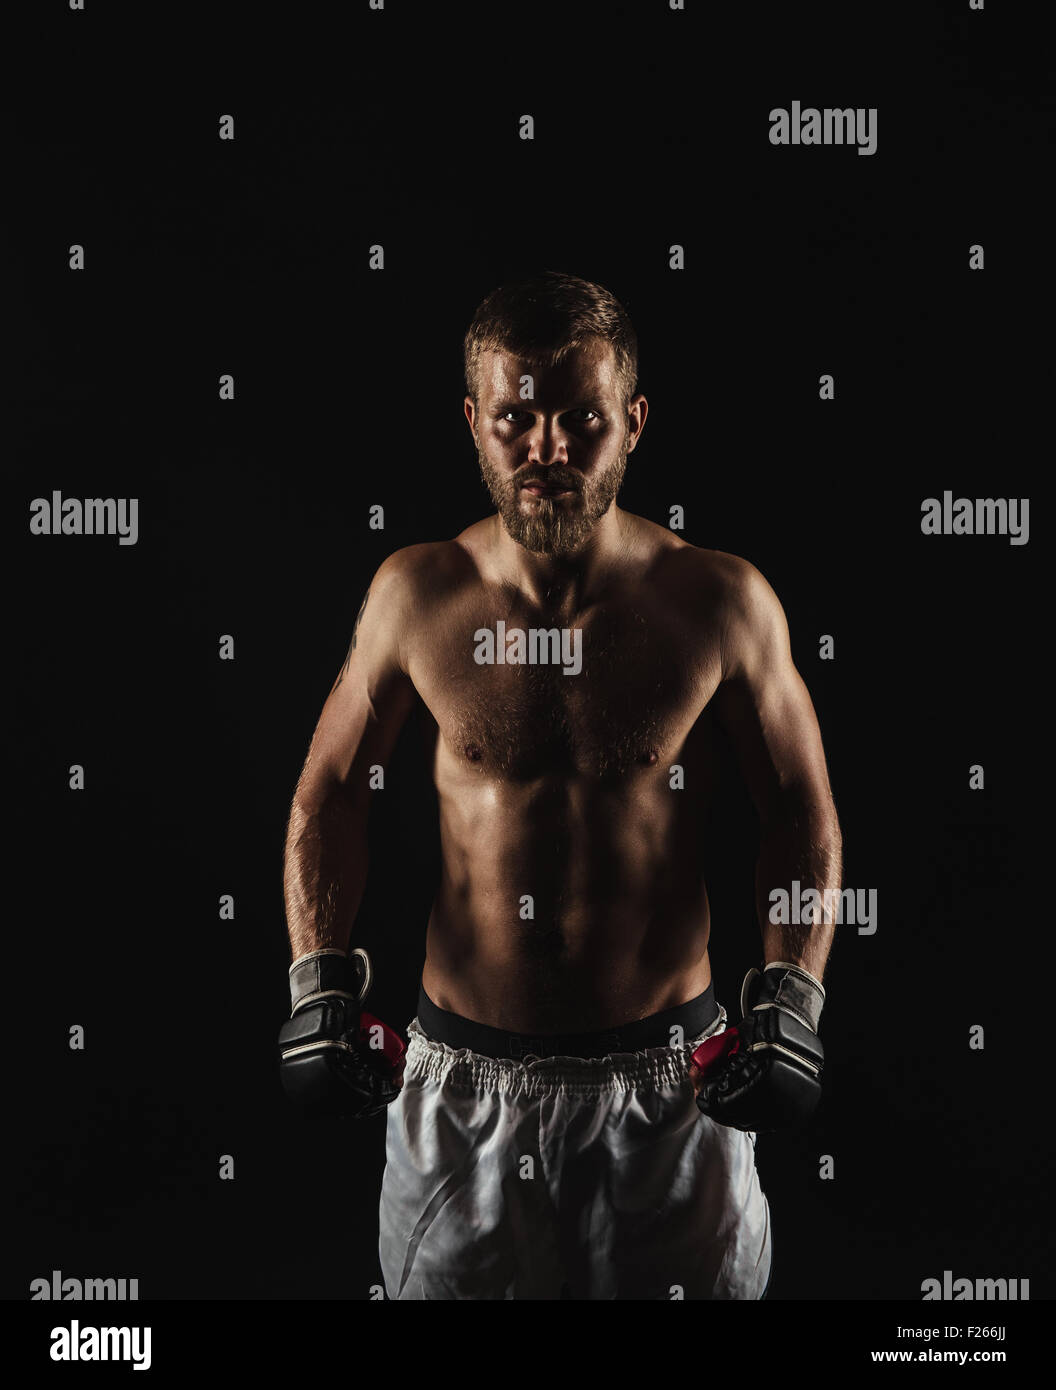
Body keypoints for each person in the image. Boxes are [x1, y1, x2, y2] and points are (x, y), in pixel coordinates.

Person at [279, 271, 842, 1300]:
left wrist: (793, 1001)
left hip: (676, 1087)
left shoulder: (718, 601)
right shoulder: (417, 593)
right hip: (460, 1089)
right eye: (515, 419)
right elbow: (330, 791)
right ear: (473, 423)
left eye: (581, 420)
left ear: (631, 423)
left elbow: (800, 805)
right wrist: (316, 981)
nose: (547, 449)